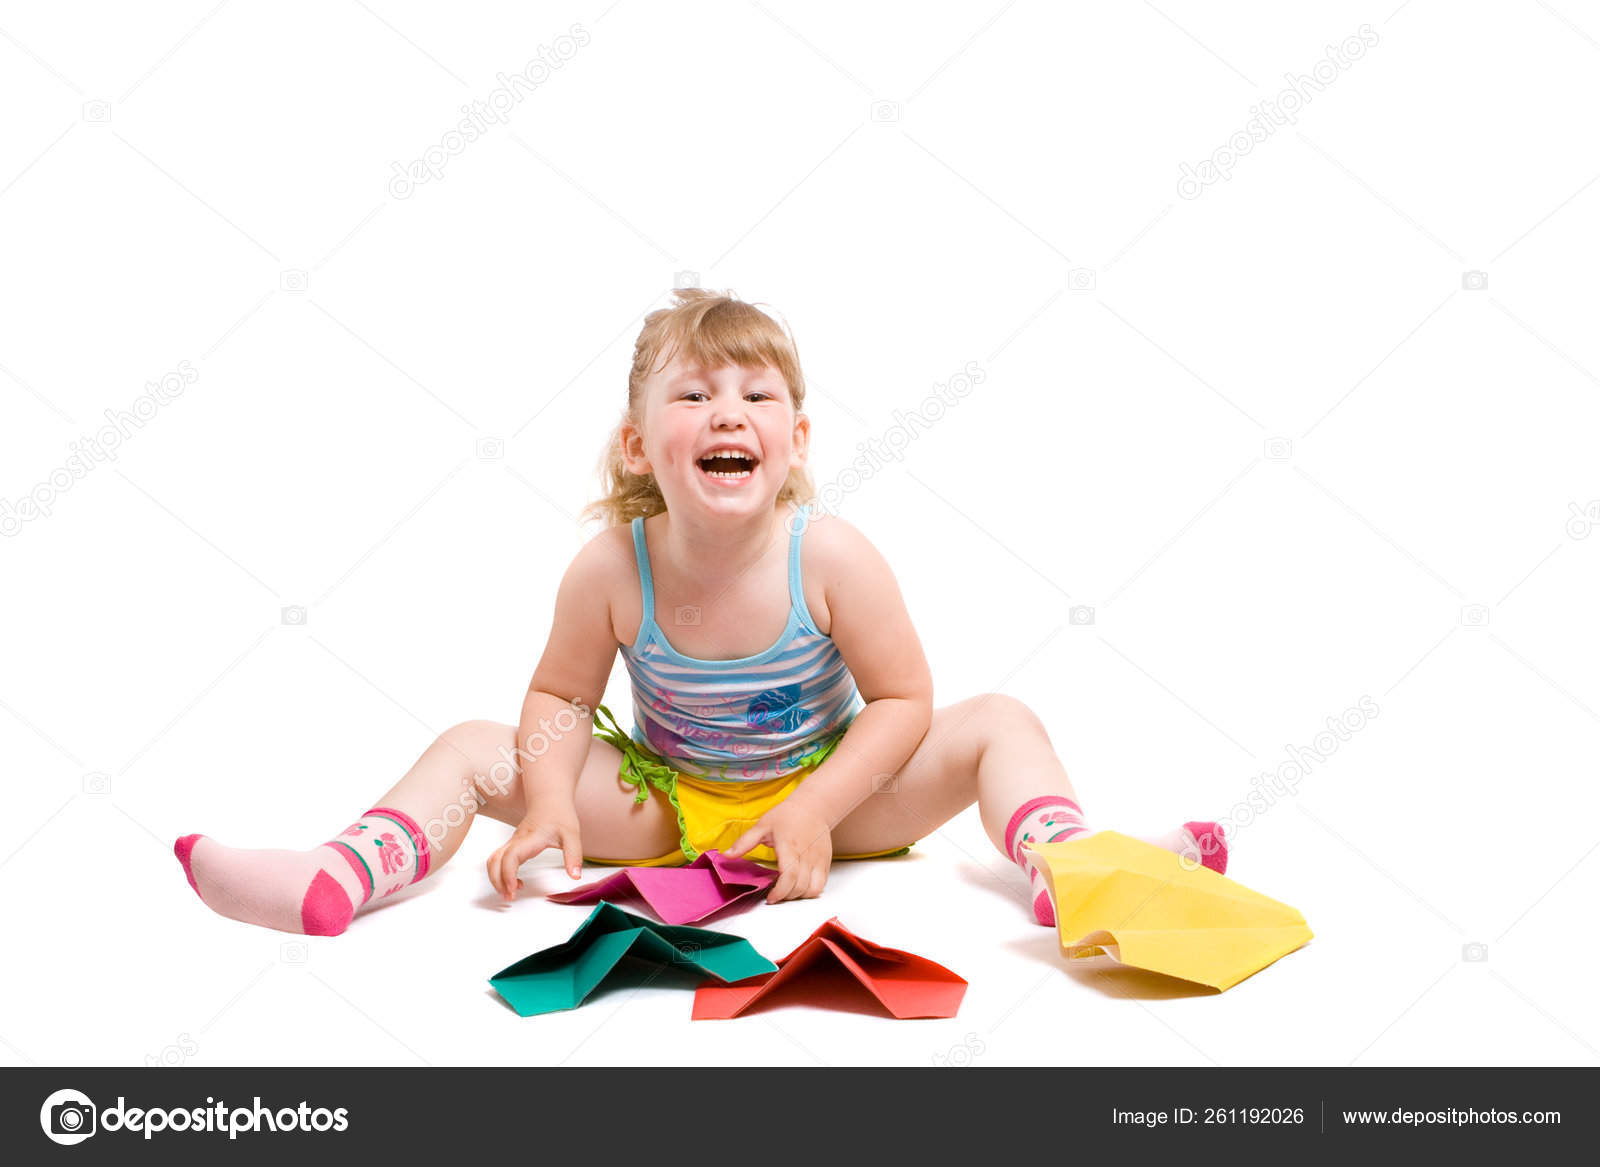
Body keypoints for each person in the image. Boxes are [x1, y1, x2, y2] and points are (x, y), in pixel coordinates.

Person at [174, 289, 1226, 937]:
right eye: (693, 395)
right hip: (666, 806)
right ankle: (343, 870)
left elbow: (905, 701)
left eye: (757, 396)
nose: (728, 411)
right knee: (468, 746)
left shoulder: (832, 557)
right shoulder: (612, 570)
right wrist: (551, 801)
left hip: (836, 800)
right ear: (639, 445)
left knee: (999, 720)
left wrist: (816, 809)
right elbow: (560, 699)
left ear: (795, 440)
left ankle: (1075, 863)